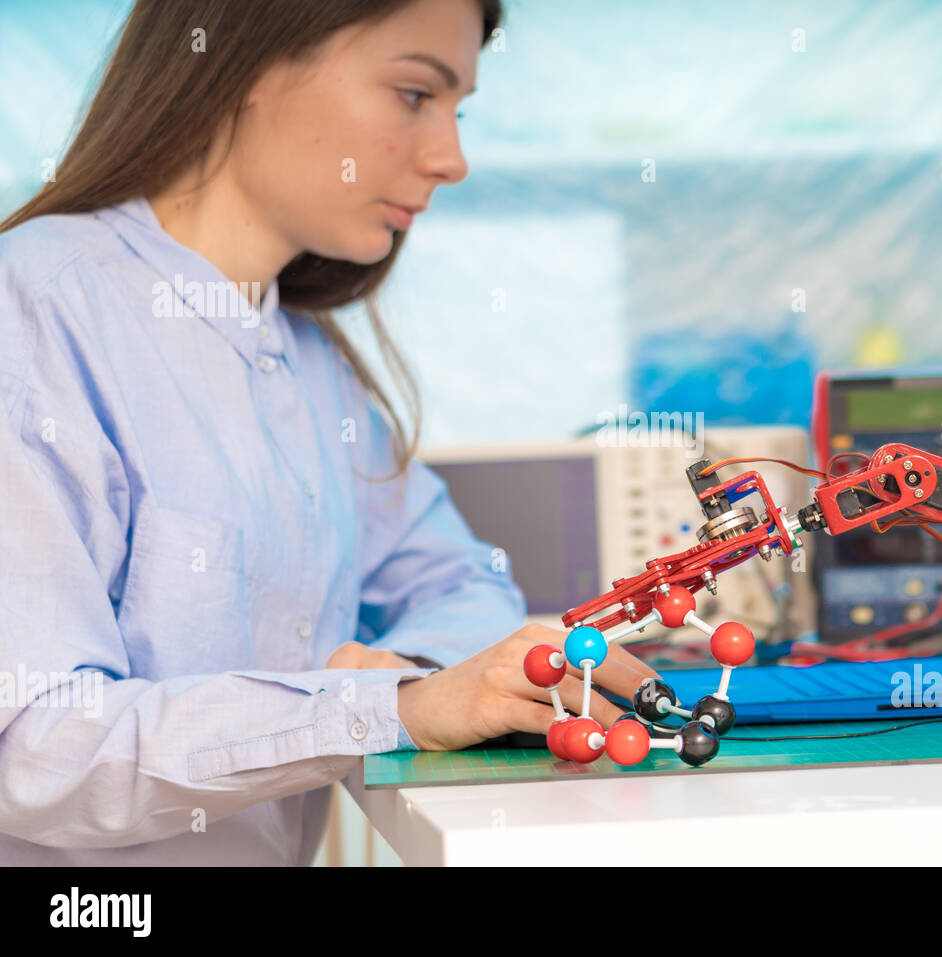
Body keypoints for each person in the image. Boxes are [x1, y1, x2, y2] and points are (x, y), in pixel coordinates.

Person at [0, 0, 658, 865]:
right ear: (248, 61)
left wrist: (418, 679)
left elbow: (463, 584)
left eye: (457, 112)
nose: (450, 159)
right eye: (415, 93)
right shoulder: (37, 309)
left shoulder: (309, 362)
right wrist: (375, 708)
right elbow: (36, 747)